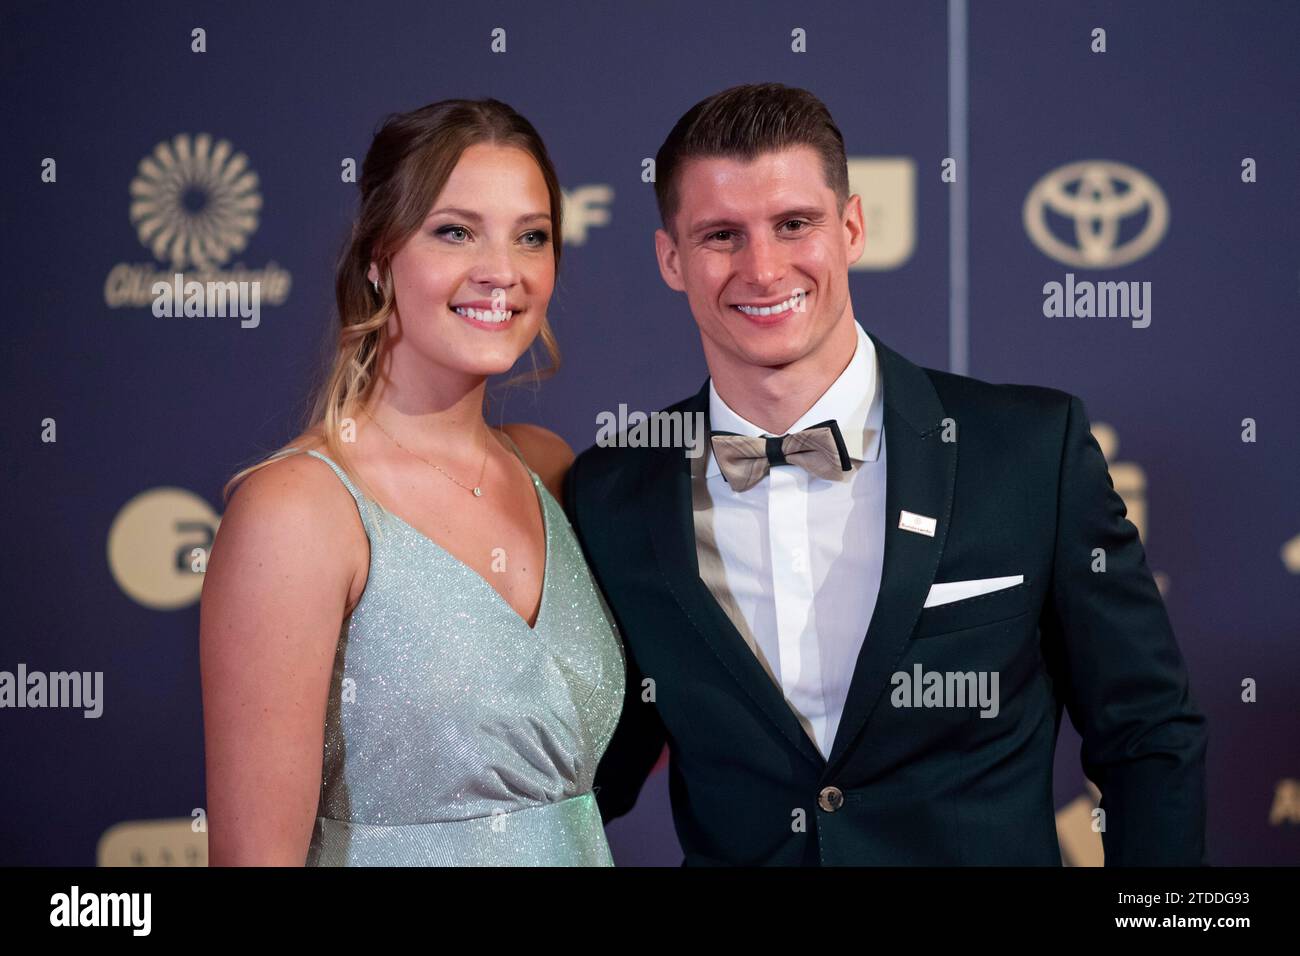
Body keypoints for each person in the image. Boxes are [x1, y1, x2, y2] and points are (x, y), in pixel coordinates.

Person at [566, 83, 1207, 865]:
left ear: (852, 227)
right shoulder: (613, 492)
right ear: (672, 258)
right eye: (721, 235)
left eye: (793, 224)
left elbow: (1147, 733)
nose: (763, 268)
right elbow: (587, 775)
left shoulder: (1029, 451)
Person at [200, 99, 624, 866]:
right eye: (455, 231)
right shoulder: (298, 511)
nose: (502, 271)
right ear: (377, 256)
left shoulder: (550, 468)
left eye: (531, 236)